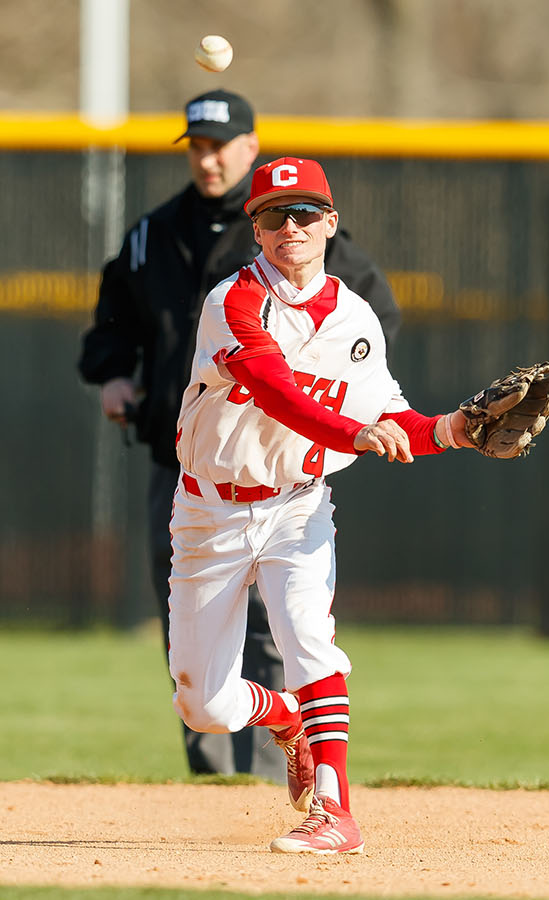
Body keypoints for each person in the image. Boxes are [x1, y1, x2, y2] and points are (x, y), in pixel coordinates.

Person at [77, 90, 400, 781]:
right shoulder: (154, 234)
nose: (207, 157)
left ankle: (280, 766)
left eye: (220, 144)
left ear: (250, 148)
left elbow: (371, 324)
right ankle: (215, 772)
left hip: (284, 475)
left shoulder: (310, 236)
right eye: (196, 145)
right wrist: (112, 373)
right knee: (194, 652)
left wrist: (353, 403)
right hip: (185, 463)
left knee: (285, 627)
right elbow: (115, 317)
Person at [167, 155, 475, 855]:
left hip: (296, 507)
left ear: (332, 224)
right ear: (256, 231)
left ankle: (334, 812)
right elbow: (277, 390)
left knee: (308, 636)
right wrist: (353, 434)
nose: (291, 227)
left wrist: (455, 431)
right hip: (209, 511)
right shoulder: (232, 304)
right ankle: (283, 717)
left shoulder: (356, 318)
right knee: (204, 707)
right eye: (274, 215)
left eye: (306, 213)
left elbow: (391, 418)